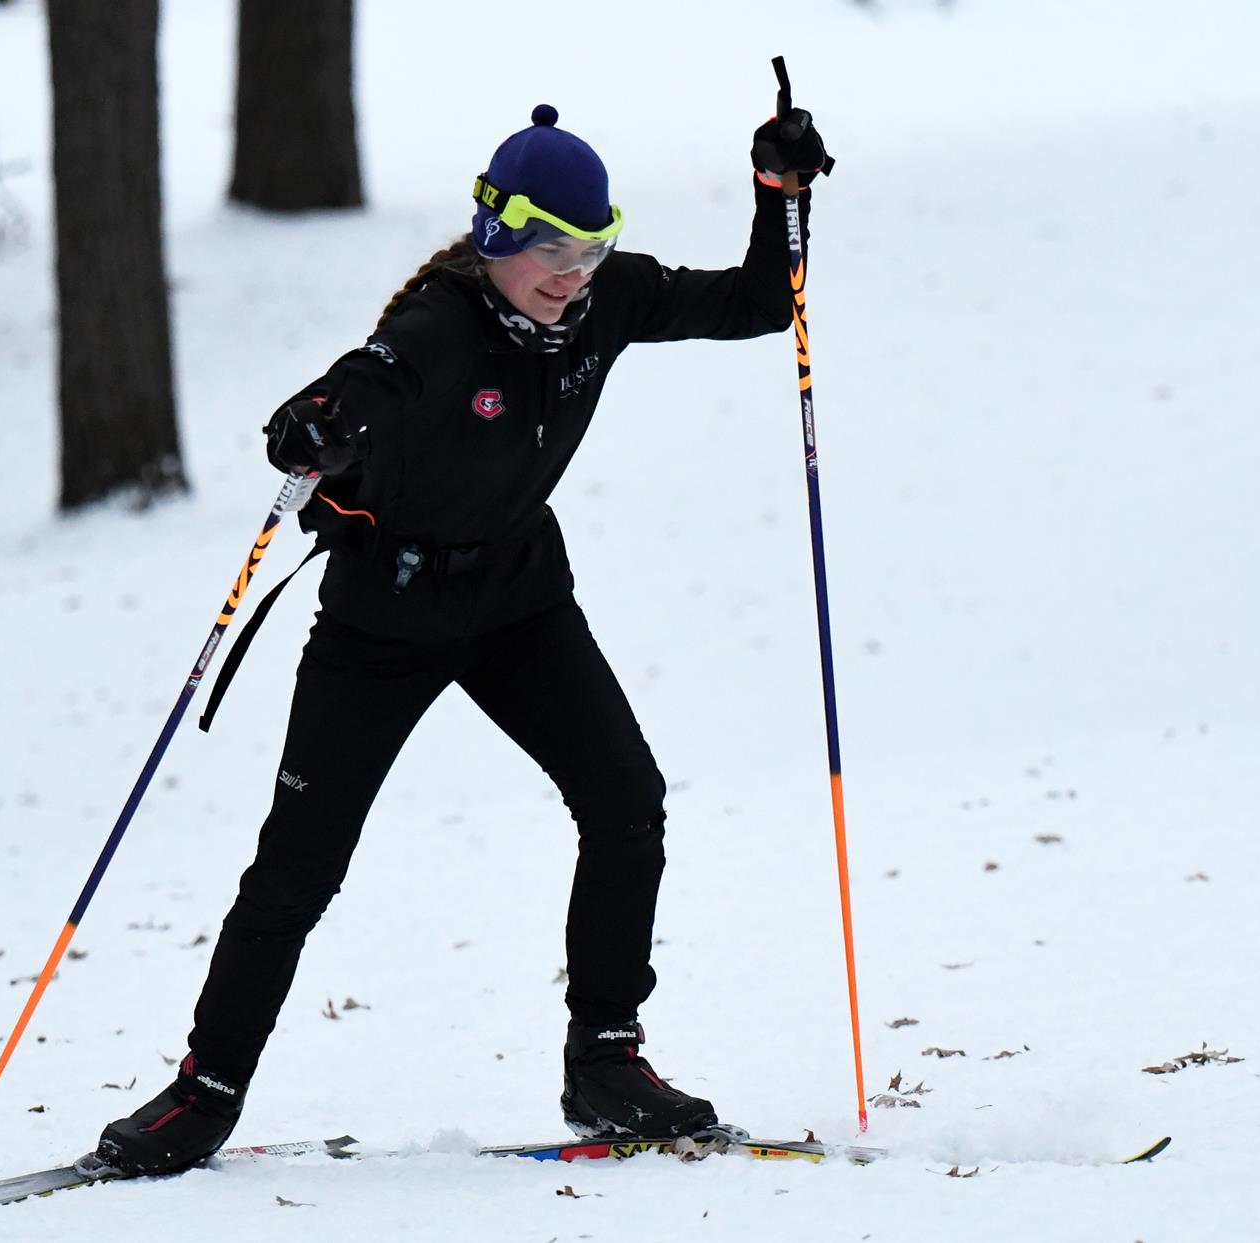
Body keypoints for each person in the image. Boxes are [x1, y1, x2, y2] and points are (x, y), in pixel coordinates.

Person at [97, 96, 831, 1176]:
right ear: (495, 233)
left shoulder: (607, 302)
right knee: (299, 866)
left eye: (590, 247)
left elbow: (762, 303)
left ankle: (606, 1061)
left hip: (517, 599)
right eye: (548, 249)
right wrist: (314, 429)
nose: (571, 274)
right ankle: (203, 1092)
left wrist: (780, 193)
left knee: (625, 800)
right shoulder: (436, 328)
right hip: (383, 620)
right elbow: (348, 394)